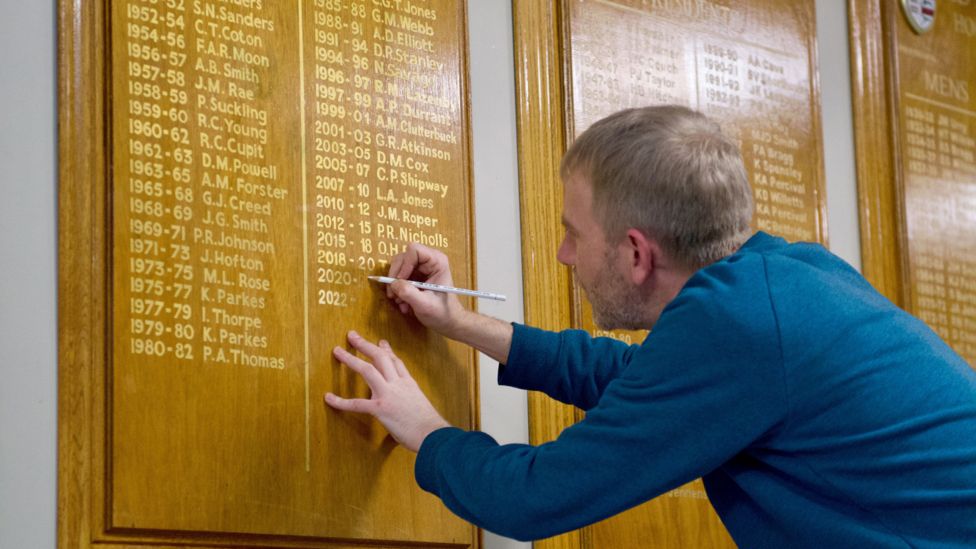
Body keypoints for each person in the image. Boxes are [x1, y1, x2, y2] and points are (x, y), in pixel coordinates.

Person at [324, 105, 976, 547]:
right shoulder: (783, 279)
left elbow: (535, 497)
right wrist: (462, 323)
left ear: (636, 254)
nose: (563, 256)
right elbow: (637, 378)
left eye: (573, 235)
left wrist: (426, 430)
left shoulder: (739, 324)